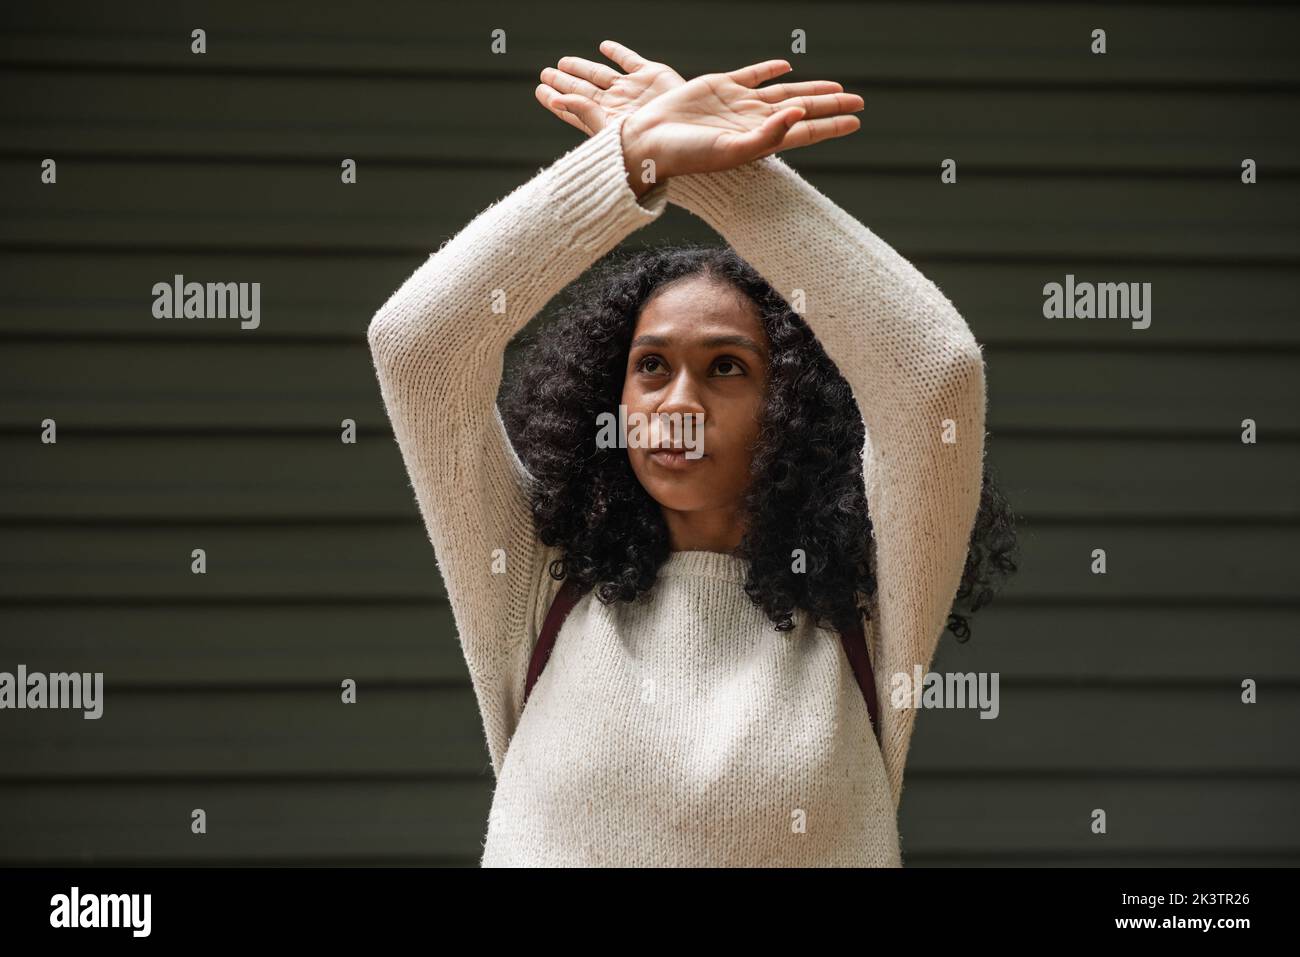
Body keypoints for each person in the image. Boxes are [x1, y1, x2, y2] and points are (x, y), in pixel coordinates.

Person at [367, 42, 1018, 867]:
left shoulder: (864, 606)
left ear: (786, 406)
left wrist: (718, 172)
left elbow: (937, 373)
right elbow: (417, 347)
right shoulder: (536, 582)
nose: (678, 403)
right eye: (651, 367)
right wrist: (634, 158)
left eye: (726, 368)